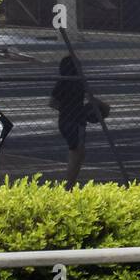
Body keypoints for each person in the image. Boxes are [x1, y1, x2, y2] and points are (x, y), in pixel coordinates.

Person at [49, 54, 92, 190]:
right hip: (75, 120)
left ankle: (71, 182)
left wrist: (65, 109)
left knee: (77, 151)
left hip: (66, 119)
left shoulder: (65, 82)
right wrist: (73, 109)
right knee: (77, 153)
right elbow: (52, 102)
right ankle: (70, 184)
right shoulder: (77, 83)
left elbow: (53, 102)